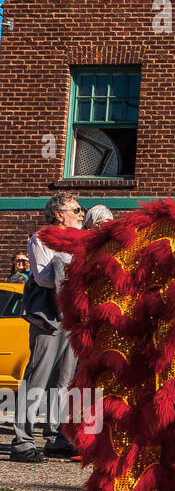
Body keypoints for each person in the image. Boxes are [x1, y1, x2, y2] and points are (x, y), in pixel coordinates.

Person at [11, 194, 83, 463]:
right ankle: (22, 440)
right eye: (75, 209)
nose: (80, 213)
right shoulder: (42, 238)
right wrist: (68, 268)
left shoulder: (81, 241)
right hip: (49, 316)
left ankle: (55, 437)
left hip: (72, 317)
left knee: (63, 381)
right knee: (37, 378)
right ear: (58, 214)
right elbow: (41, 277)